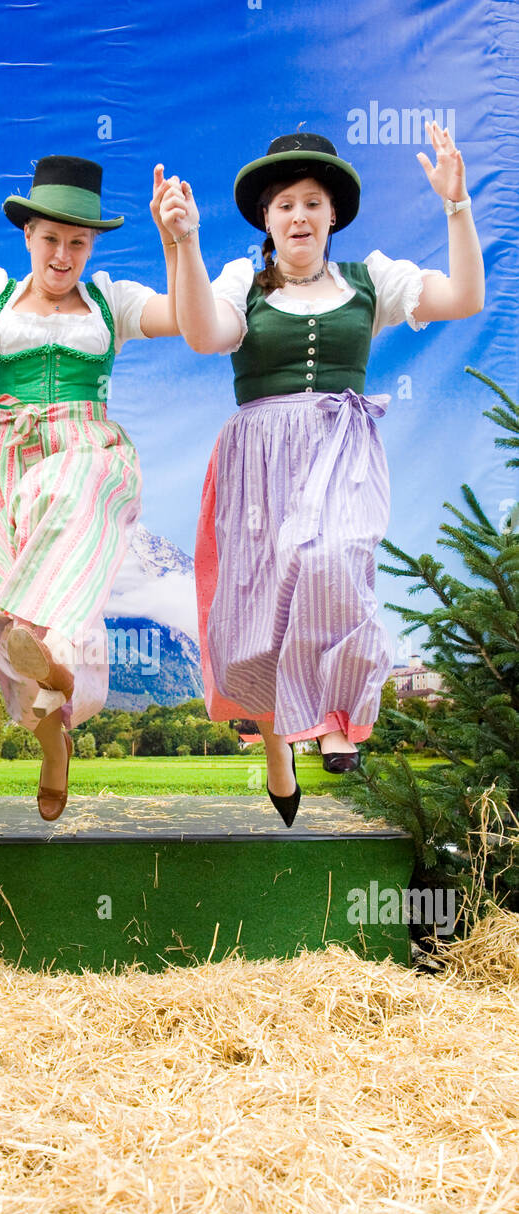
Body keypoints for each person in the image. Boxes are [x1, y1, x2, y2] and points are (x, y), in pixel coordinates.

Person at [160, 125, 484, 826]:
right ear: (266, 220)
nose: (298, 215)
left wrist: (457, 208)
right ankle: (277, 750)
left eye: (311, 201)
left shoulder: (370, 281)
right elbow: (200, 334)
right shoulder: (241, 282)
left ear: (332, 213)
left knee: (334, 558)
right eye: (283, 205)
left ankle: (337, 716)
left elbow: (462, 299)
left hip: (340, 448)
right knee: (261, 612)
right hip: (257, 456)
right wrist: (183, 244)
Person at [0, 155, 180, 819]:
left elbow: (194, 326)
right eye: (50, 238)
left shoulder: (113, 301)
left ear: (94, 244)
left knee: (63, 493)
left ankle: (57, 668)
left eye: (78, 241)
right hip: (8, 464)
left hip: (88, 454)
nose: (62, 254)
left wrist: (177, 240)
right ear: (27, 235)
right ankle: (54, 737)